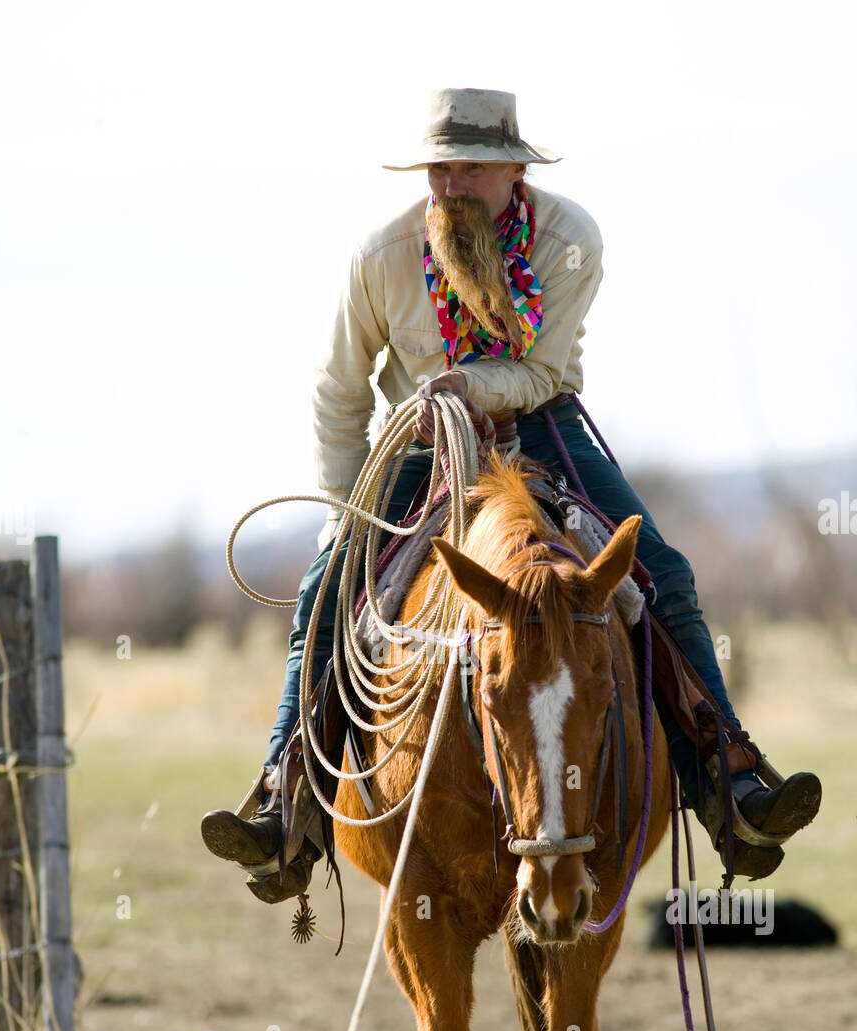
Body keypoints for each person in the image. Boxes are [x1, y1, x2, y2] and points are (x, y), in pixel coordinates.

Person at [202, 88, 821, 901]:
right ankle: (286, 806)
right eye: (438, 167)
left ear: (513, 172)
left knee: (663, 576)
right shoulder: (381, 256)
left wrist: (467, 383)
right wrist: (346, 509)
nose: (449, 185)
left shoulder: (569, 239)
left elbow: (536, 372)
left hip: (541, 424)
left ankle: (730, 784)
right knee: (327, 589)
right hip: (420, 439)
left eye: (469, 167)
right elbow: (340, 392)